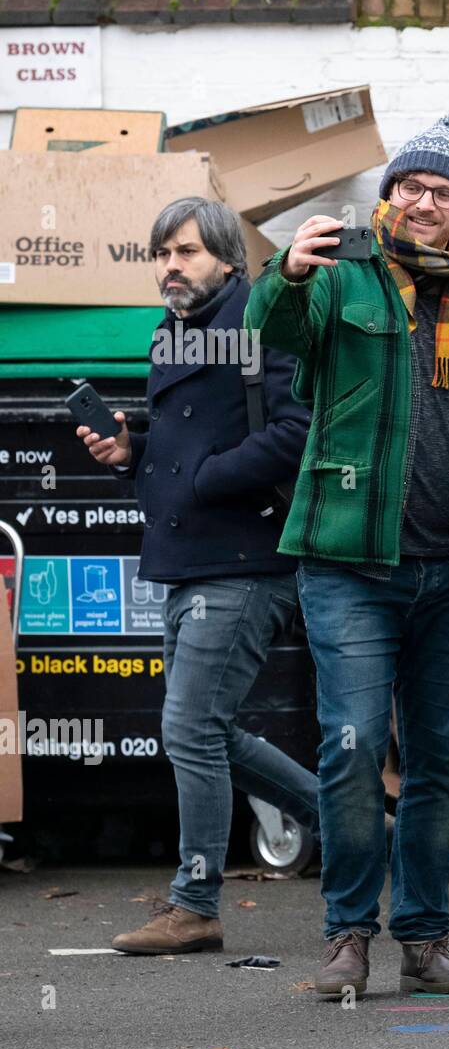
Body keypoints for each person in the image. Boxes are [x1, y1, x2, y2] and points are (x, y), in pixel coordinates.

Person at [245, 114, 449, 998]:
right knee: (353, 745)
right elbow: (274, 328)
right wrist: (284, 272)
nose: (425, 204)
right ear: (388, 195)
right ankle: (348, 933)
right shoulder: (341, 277)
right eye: (411, 188)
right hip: (350, 562)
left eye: (443, 193)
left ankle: (424, 939)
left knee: (438, 759)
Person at [79, 197, 316, 955]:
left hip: (245, 560)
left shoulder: (260, 322)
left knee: (188, 728)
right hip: (184, 560)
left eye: (185, 252)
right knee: (203, 731)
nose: (170, 267)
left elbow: (297, 429)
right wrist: (131, 452)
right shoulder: (171, 333)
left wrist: (209, 479)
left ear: (226, 258)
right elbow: (183, 440)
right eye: (161, 254)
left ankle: (195, 903)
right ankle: (349, 824)